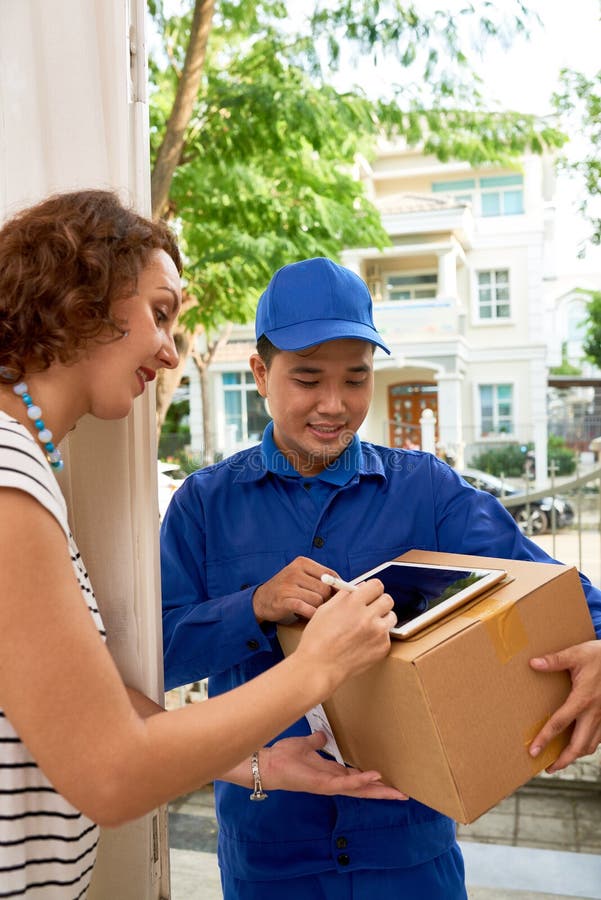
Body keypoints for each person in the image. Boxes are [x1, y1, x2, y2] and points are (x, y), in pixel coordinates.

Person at [160, 256, 601, 900]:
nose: (334, 406)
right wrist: (253, 607)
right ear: (260, 373)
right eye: (307, 379)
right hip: (269, 855)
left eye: (357, 379)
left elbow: (552, 589)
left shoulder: (426, 489)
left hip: (411, 853)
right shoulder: (203, 505)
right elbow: (157, 658)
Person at [0, 196, 403, 899]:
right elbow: (113, 771)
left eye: (353, 376)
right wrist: (316, 664)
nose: (168, 349)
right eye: (159, 313)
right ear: (81, 295)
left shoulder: (24, 467)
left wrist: (259, 763)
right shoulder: (8, 475)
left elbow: (84, 702)